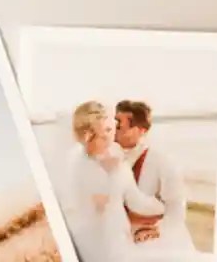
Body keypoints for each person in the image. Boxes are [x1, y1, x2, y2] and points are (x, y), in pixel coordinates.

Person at [62, 101, 166, 262]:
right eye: (107, 130)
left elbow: (134, 199)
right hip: (91, 246)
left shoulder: (115, 156)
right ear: (87, 135)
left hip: (120, 243)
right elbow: (87, 209)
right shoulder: (74, 163)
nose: (112, 136)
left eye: (113, 129)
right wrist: (109, 177)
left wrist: (162, 206)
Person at [115, 100, 195, 252]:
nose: (114, 130)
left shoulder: (162, 160)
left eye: (120, 126)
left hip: (156, 241)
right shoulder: (108, 157)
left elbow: (176, 205)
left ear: (141, 130)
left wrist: (158, 231)